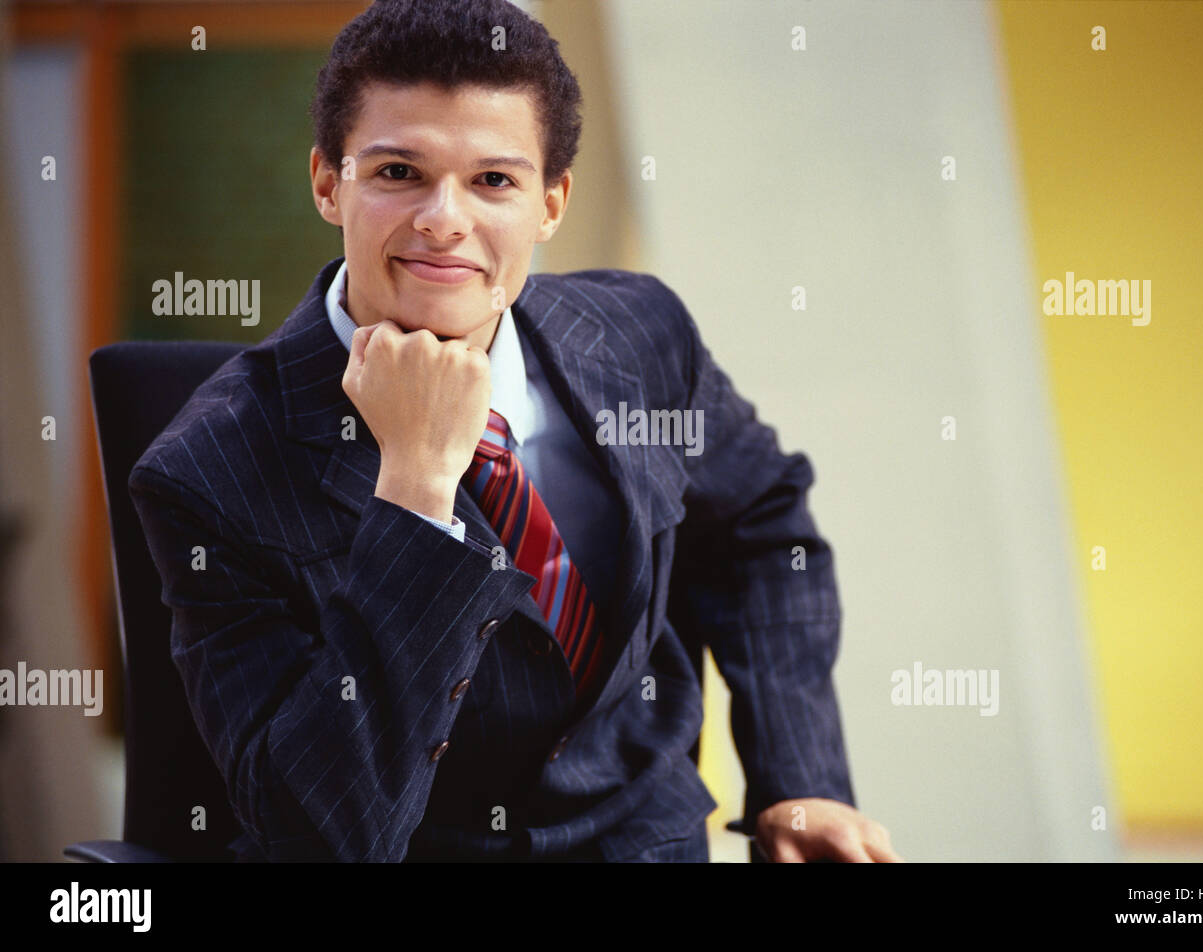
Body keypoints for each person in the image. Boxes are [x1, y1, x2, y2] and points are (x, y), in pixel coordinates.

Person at [129, 0, 901, 863]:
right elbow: (320, 836)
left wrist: (801, 782)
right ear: (327, 183)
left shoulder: (641, 336)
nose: (443, 220)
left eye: (493, 181)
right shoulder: (209, 468)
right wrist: (416, 494)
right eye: (398, 173)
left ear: (551, 202)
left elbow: (762, 528)